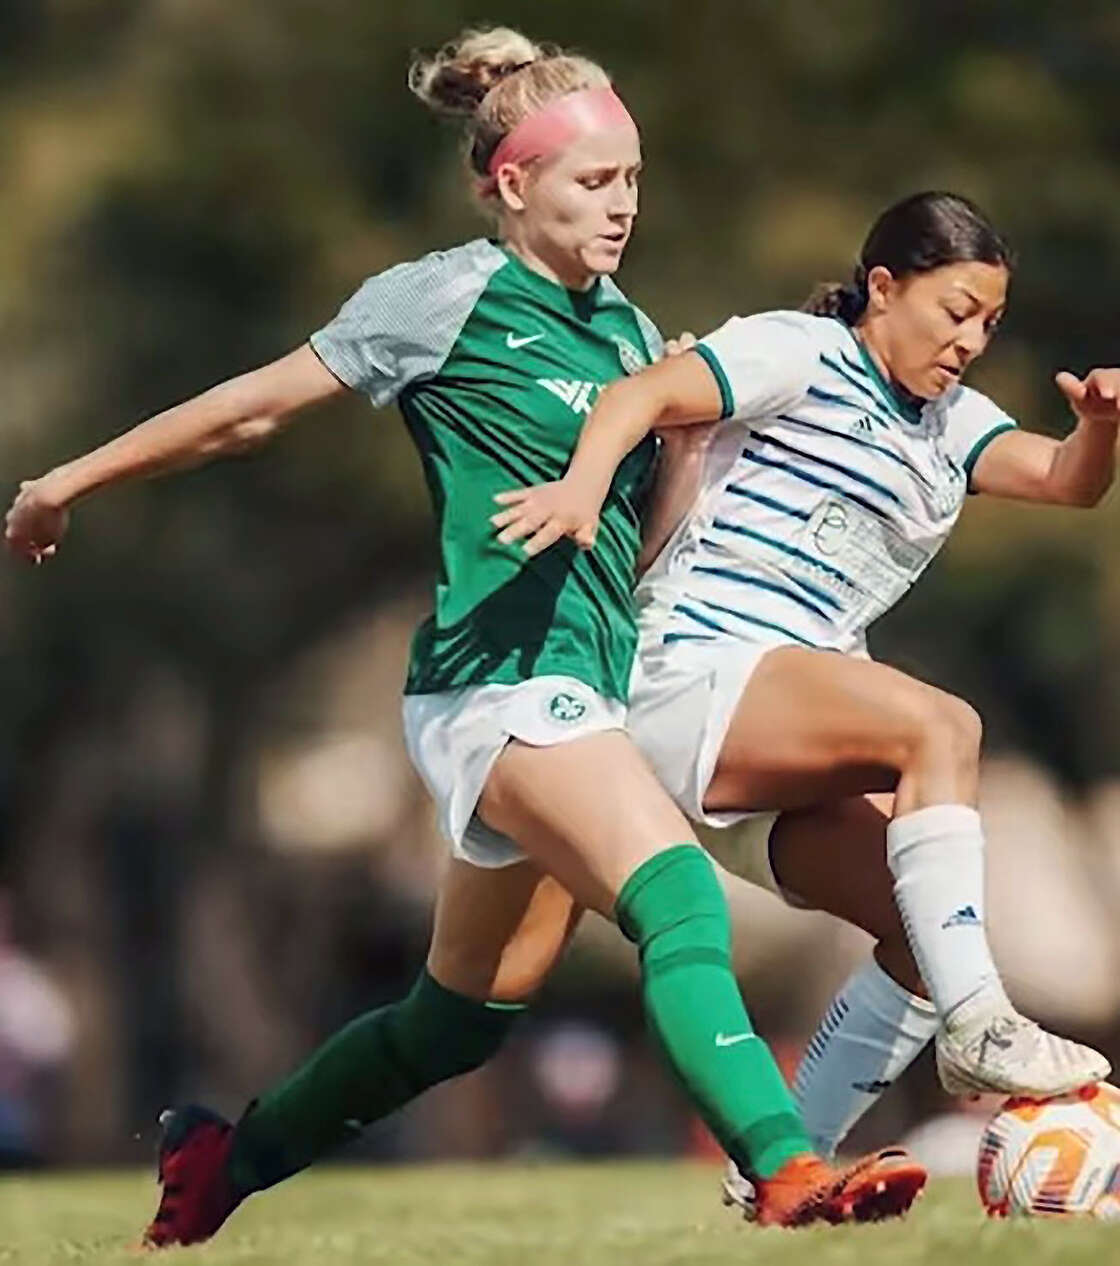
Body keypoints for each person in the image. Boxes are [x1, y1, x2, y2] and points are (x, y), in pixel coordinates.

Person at [3, 27, 927, 1246]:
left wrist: (685, 463)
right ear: (512, 184)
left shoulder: (625, 333)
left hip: (581, 695)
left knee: (461, 1018)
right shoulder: (445, 296)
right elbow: (251, 412)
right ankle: (789, 1171)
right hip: (494, 688)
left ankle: (223, 1160)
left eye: (634, 180)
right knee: (680, 902)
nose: (622, 206)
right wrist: (72, 477)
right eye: (594, 182)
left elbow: (631, 557)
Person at [492, 190, 1120, 1173]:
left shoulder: (953, 423)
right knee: (942, 727)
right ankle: (983, 1024)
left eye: (991, 321)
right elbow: (637, 395)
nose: (972, 338)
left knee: (920, 937)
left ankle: (785, 1173)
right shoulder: (798, 352)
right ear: (883, 288)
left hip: (771, 741)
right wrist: (580, 489)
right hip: (692, 675)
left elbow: (1069, 479)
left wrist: (1099, 423)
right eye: (956, 310)